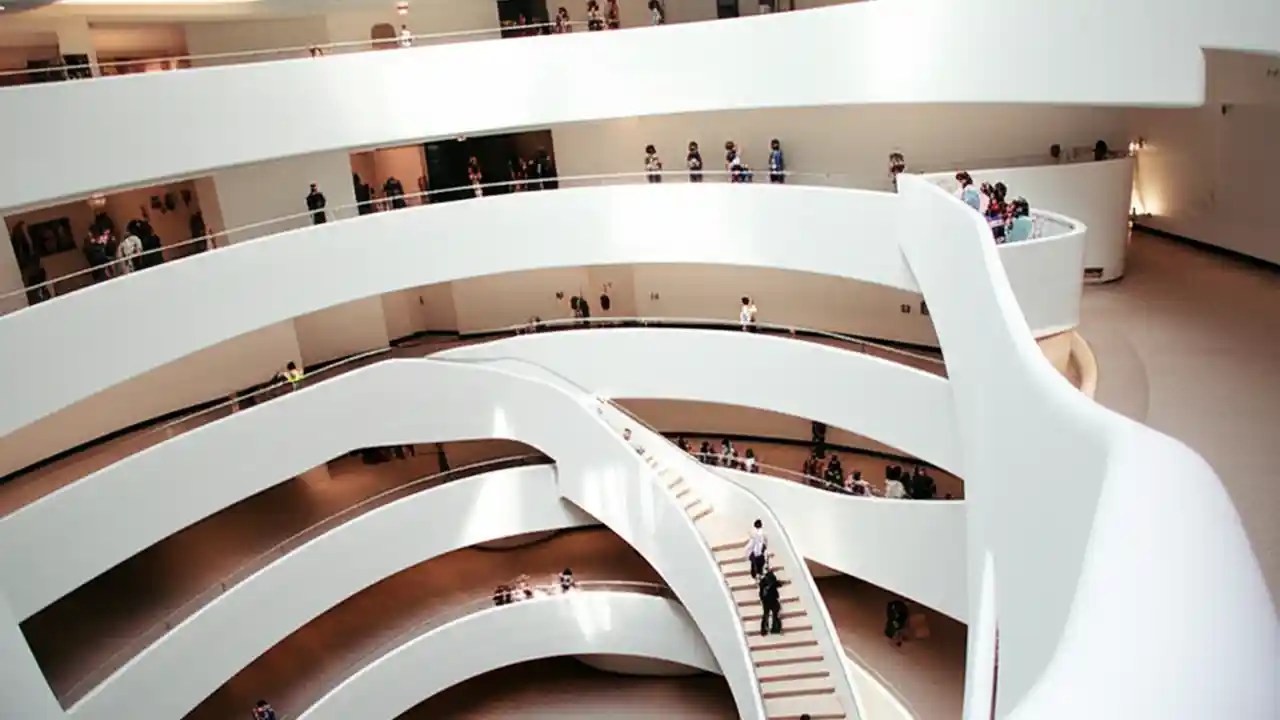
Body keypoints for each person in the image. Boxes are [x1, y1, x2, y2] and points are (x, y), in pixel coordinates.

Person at [758, 566, 782, 636]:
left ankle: (766, 630)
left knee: (767, 615)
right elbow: (778, 584)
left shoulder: (764, 581)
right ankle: (773, 629)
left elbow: (778, 584)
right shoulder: (770, 579)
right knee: (772, 614)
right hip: (771, 600)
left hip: (768, 600)